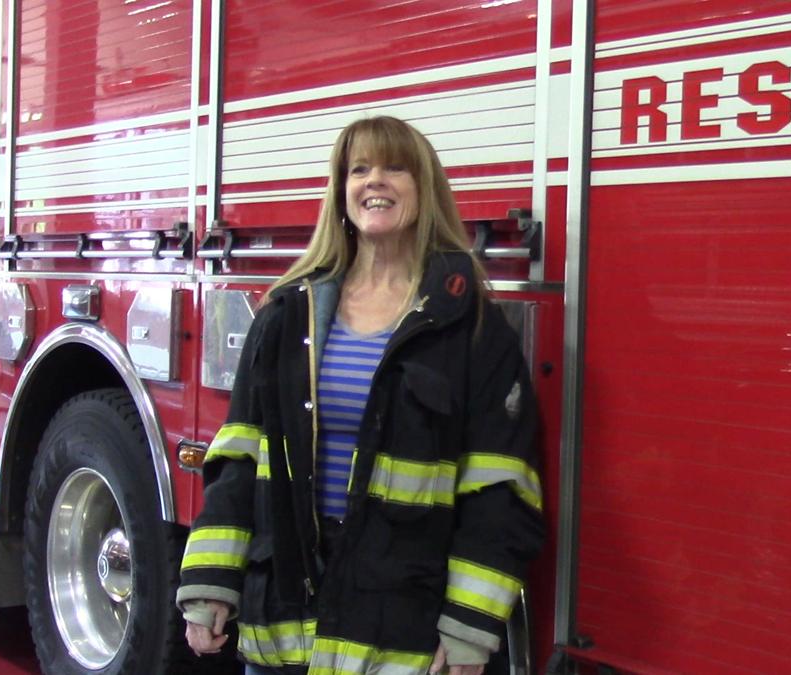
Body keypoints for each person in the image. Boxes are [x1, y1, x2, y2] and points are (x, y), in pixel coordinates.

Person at [177, 116, 544, 675]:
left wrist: (470, 625)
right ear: (341, 190)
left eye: (395, 167)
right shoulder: (285, 317)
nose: (376, 181)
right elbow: (239, 461)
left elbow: (499, 487)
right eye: (360, 169)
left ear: (423, 190)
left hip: (398, 632)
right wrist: (210, 584)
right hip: (286, 624)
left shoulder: (468, 327)